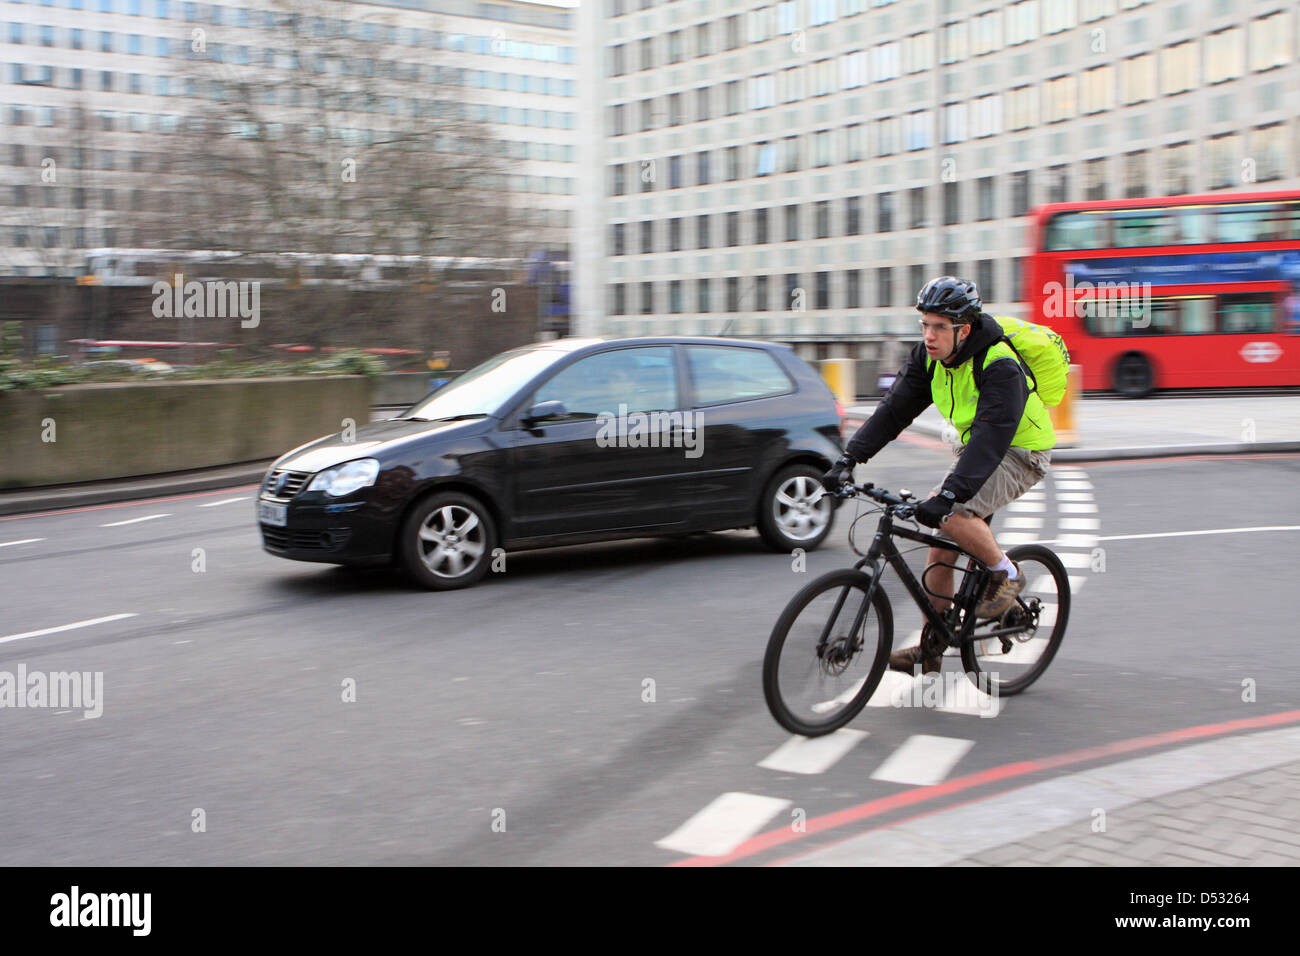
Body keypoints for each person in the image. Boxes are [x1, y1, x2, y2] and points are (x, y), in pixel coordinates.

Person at [821, 276, 1055, 674]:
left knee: (952, 513)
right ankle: (933, 645)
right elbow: (895, 410)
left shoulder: (1000, 364)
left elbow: (993, 439)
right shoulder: (928, 357)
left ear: (963, 329)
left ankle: (1008, 576)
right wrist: (849, 458)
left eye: (939, 327)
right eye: (925, 325)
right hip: (977, 445)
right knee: (940, 547)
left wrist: (949, 496)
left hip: (1020, 449)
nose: (929, 336)